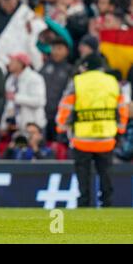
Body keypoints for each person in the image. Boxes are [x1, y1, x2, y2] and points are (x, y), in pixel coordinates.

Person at [56, 53, 128, 207]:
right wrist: (120, 130)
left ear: (86, 66)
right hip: (106, 138)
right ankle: (107, 204)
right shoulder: (113, 82)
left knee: (83, 175)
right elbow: (122, 108)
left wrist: (61, 127)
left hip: (83, 139)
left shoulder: (77, 82)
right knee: (106, 174)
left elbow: (66, 106)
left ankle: (84, 204)